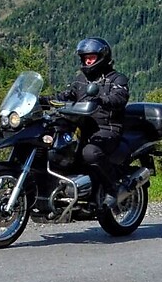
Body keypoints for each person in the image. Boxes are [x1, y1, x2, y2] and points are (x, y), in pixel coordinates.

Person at [56, 37, 130, 209]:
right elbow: (67, 95)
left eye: (92, 57)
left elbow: (120, 98)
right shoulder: (80, 79)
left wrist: (102, 100)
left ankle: (113, 188)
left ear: (102, 57)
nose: (88, 61)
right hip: (84, 128)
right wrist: (42, 100)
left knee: (90, 152)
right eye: (85, 57)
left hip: (108, 129)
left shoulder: (117, 79)